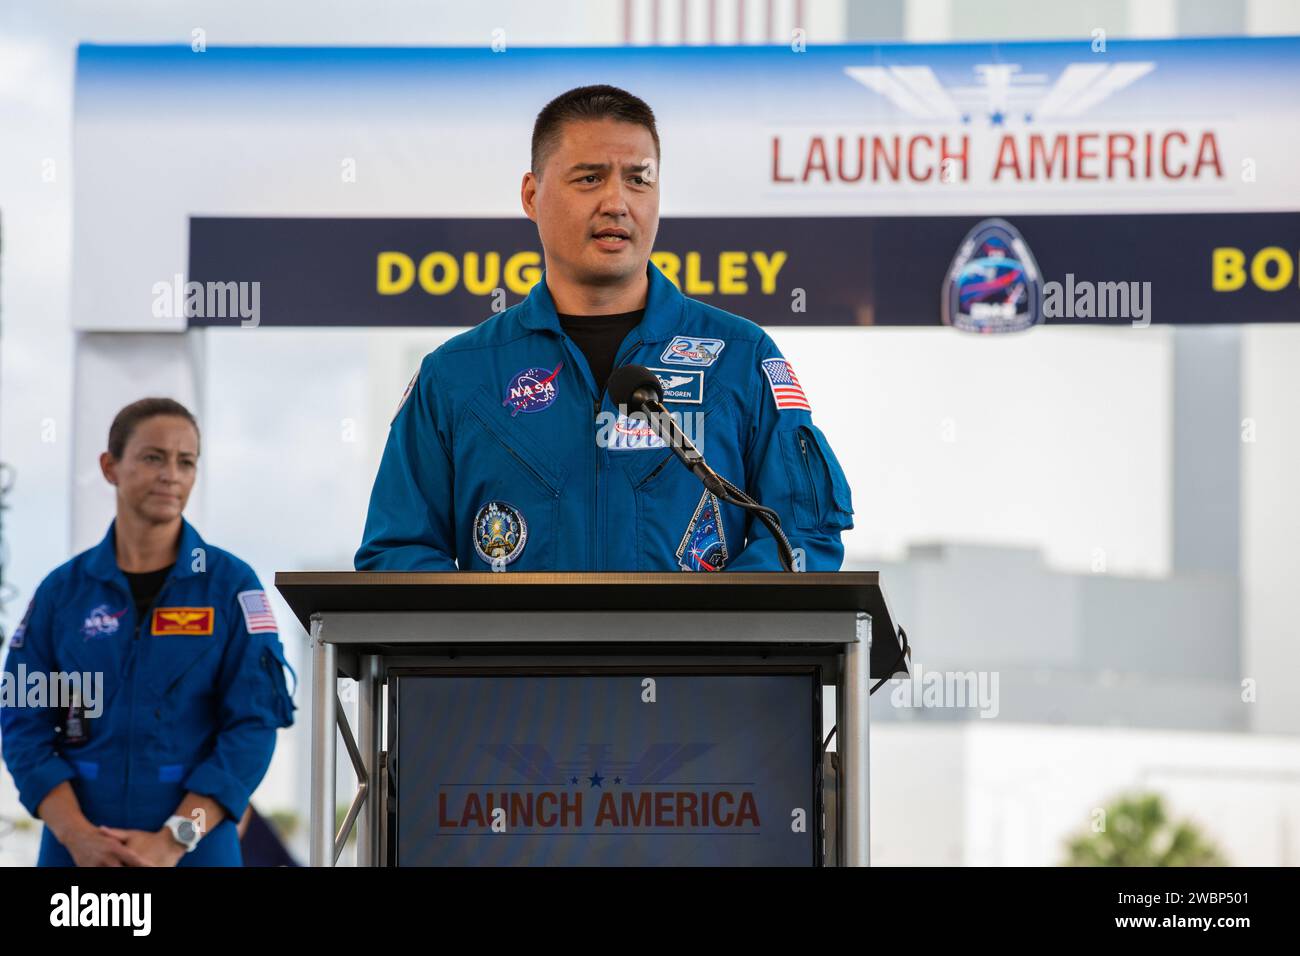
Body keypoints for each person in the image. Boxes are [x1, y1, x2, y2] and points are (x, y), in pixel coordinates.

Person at [356, 85, 854, 573]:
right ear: (531, 195)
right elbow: (399, 554)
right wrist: (493, 646)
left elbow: (801, 537)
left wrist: (710, 639)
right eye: (590, 179)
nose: (617, 202)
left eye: (639, 180)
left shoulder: (740, 358)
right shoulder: (455, 376)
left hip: (695, 658)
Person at [1, 398, 295, 866]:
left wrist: (174, 839)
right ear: (110, 466)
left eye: (186, 461)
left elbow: (252, 728)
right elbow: (23, 724)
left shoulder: (231, 587)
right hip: (78, 849)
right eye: (153, 457)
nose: (171, 475)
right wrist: (76, 836)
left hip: (196, 848)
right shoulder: (61, 594)